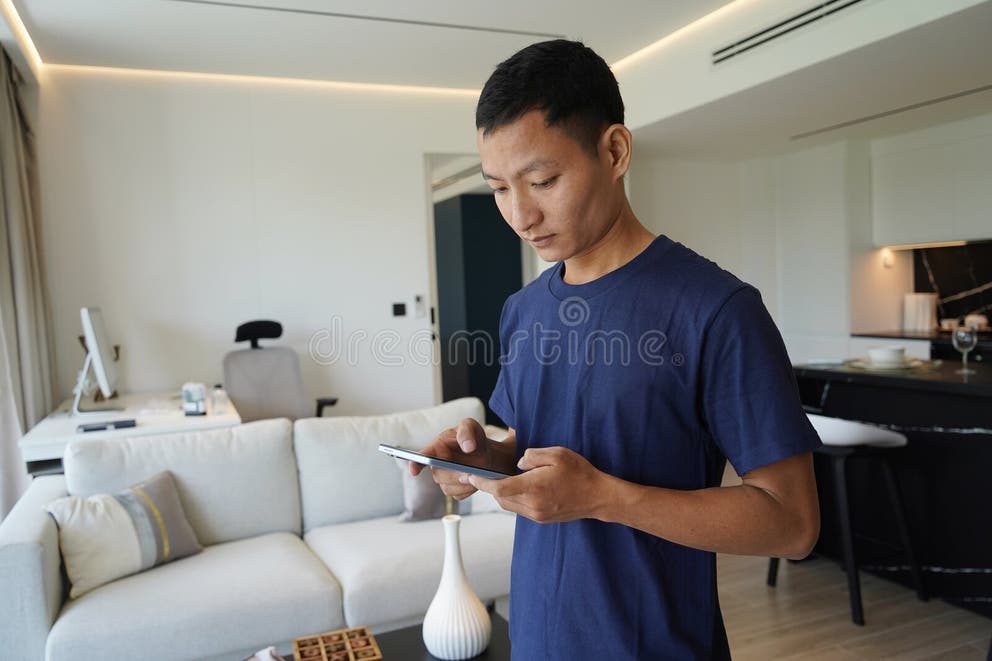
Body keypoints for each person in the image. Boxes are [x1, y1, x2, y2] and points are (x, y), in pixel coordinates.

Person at [412, 39, 821, 660]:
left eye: (543, 180)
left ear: (614, 151)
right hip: (538, 640)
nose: (520, 215)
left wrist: (603, 496)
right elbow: (542, 448)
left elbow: (793, 524)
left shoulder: (715, 310)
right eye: (499, 188)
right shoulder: (522, 311)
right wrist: (482, 461)